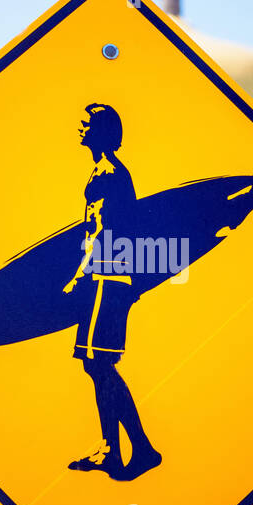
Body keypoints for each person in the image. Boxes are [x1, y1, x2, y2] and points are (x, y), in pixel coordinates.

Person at [64, 104, 162, 482]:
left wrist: (78, 278)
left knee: (98, 363)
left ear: (102, 131)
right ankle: (124, 448)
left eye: (86, 124)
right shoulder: (107, 172)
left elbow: (102, 232)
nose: (80, 128)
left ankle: (131, 448)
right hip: (112, 277)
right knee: (96, 364)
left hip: (107, 277)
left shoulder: (108, 174)